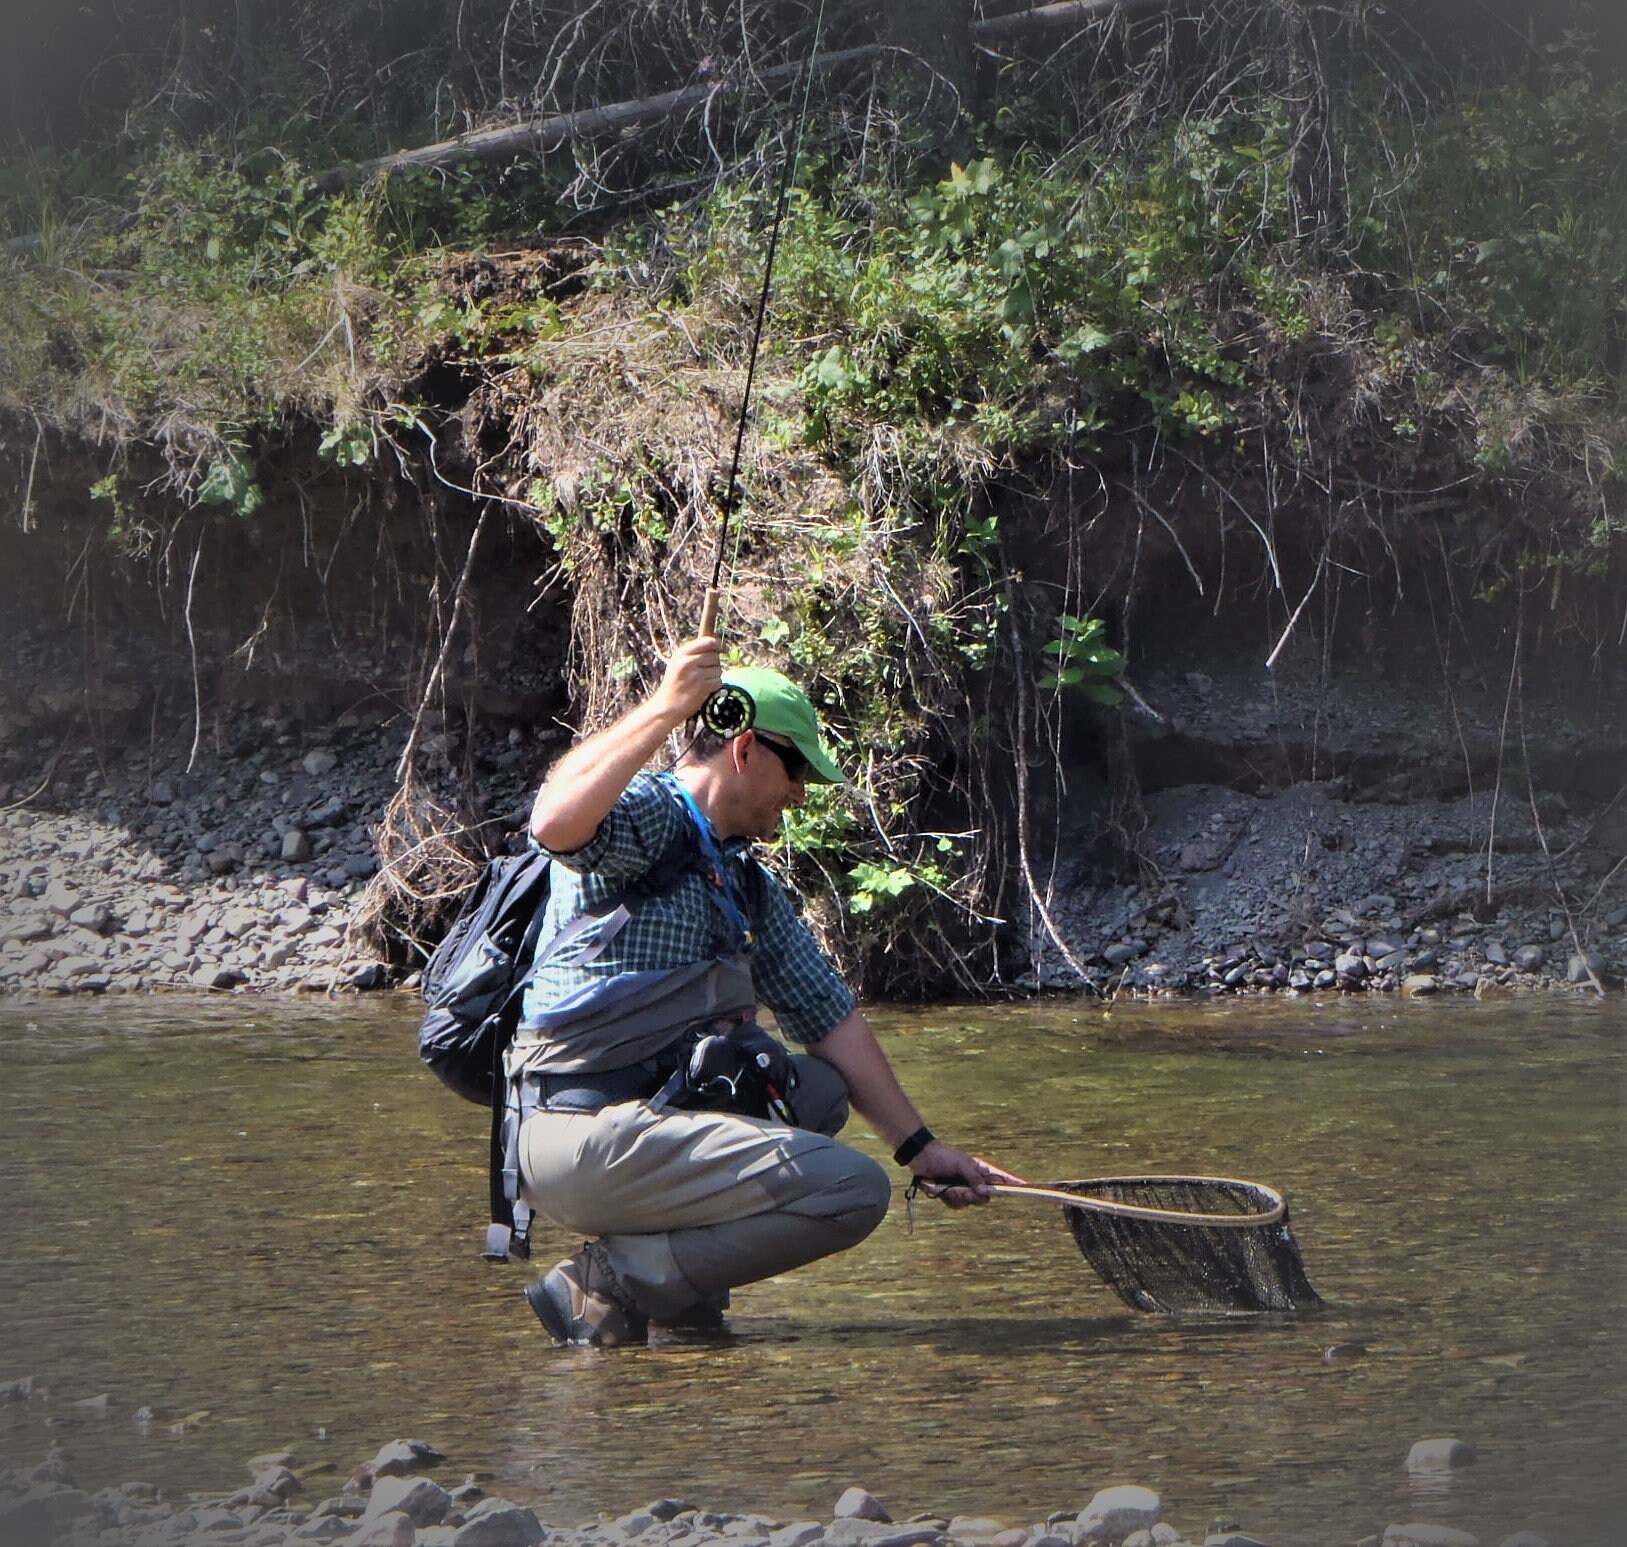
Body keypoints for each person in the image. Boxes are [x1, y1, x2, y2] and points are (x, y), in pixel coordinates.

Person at [510, 633, 1017, 1346]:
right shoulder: (651, 816)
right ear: (744, 748)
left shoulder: (742, 881)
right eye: (798, 771)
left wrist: (920, 1147)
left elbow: (829, 1017)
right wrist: (665, 705)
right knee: (851, 1189)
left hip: (642, 1135)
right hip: (577, 1136)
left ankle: (673, 1291)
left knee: (814, 1091)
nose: (801, 795)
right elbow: (553, 822)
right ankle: (611, 1281)